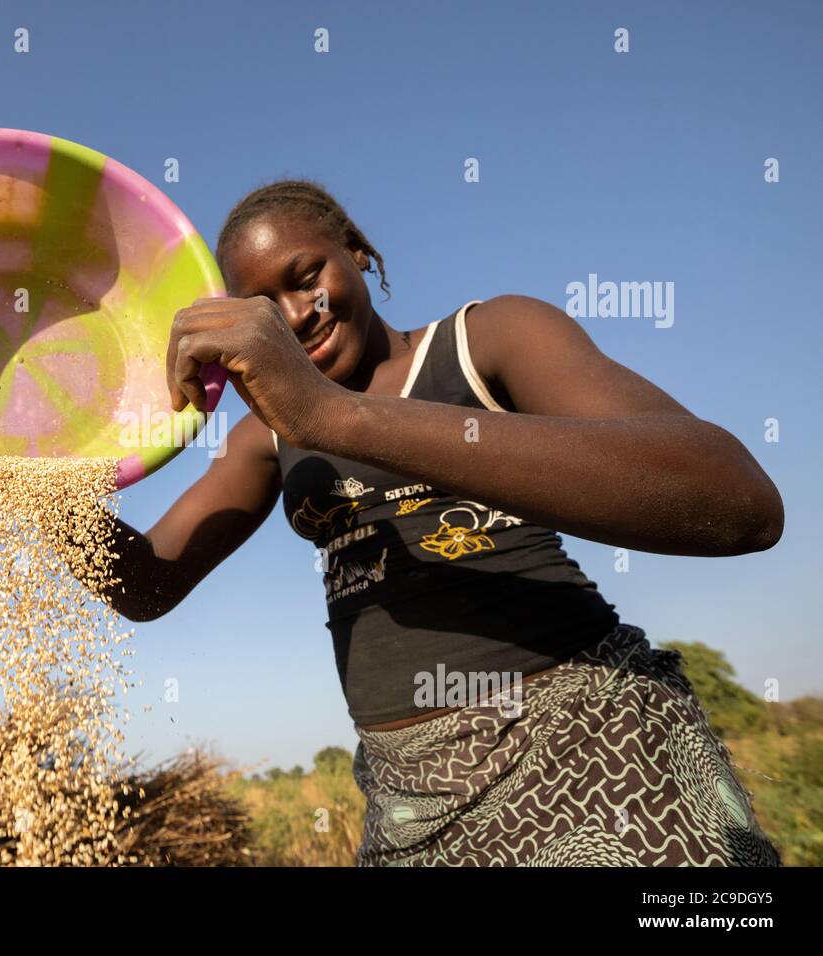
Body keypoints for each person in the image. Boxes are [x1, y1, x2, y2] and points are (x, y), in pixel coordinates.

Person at [98, 179, 784, 866]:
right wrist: (35, 477)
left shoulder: (489, 339)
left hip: (595, 749)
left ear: (358, 253)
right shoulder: (266, 437)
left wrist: (330, 414)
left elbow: (734, 499)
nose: (296, 315)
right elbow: (145, 584)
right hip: (411, 803)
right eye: (263, 307)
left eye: (306, 279)